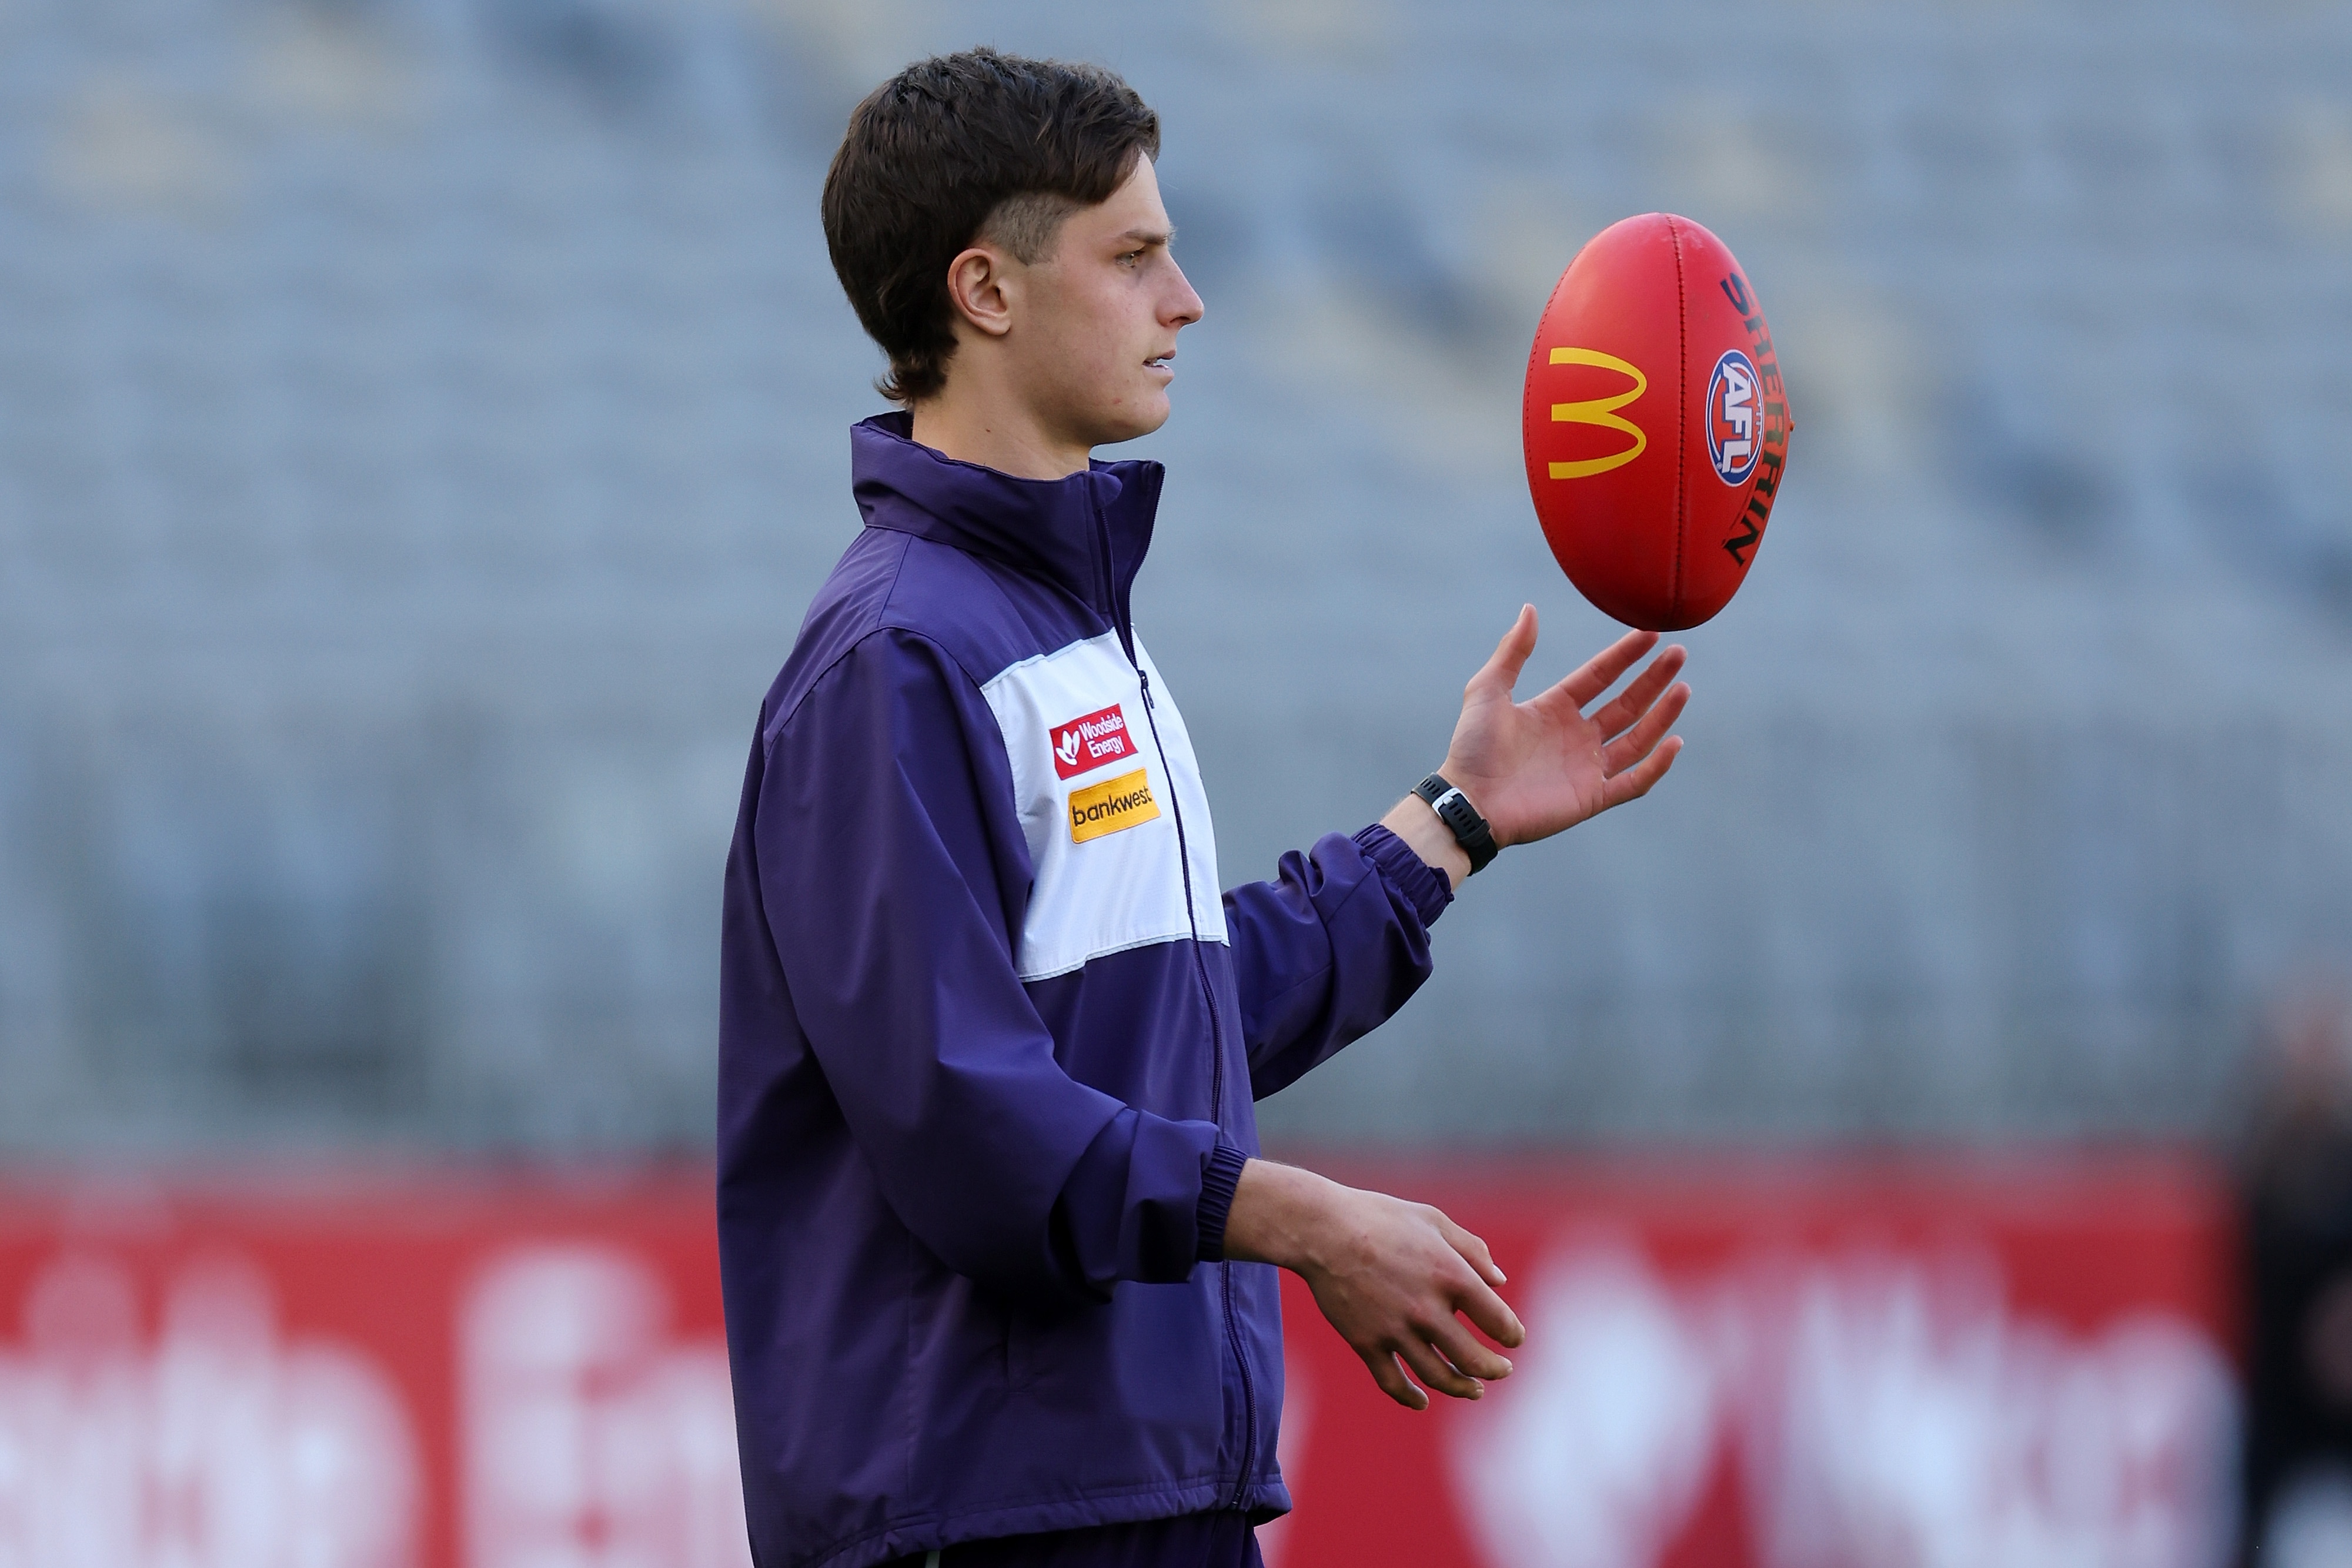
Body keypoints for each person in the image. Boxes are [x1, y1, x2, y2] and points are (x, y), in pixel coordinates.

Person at [717, 48, 1690, 1568]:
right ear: (985, 291)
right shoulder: (896, 660)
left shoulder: (1064, 631)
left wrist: (1449, 825)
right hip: (985, 1515)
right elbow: (972, 1126)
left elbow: (1157, 1025)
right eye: (1134, 255)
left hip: (1133, 1486)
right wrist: (1297, 1215)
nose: (1188, 298)